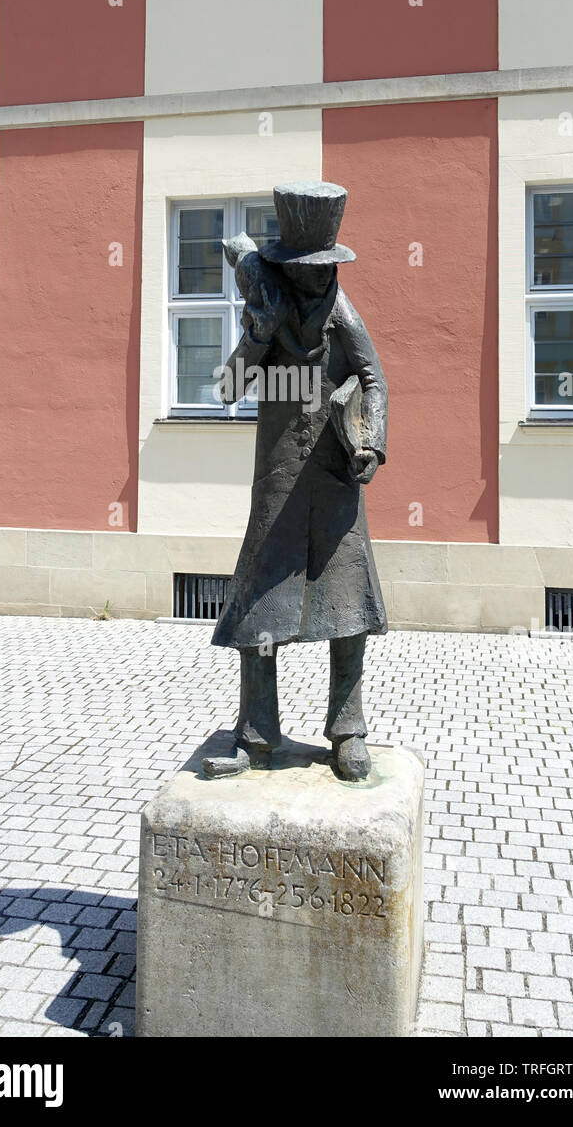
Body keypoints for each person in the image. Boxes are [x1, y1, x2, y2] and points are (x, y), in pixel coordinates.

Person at [204, 182, 388, 782]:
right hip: (279, 480)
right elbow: (229, 388)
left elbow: (374, 382)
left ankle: (348, 731)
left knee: (349, 604)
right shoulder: (269, 305)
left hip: (336, 475)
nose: (312, 281)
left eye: (321, 271)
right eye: (301, 271)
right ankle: (256, 735)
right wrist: (258, 332)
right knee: (259, 603)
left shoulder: (342, 313)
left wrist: (372, 440)